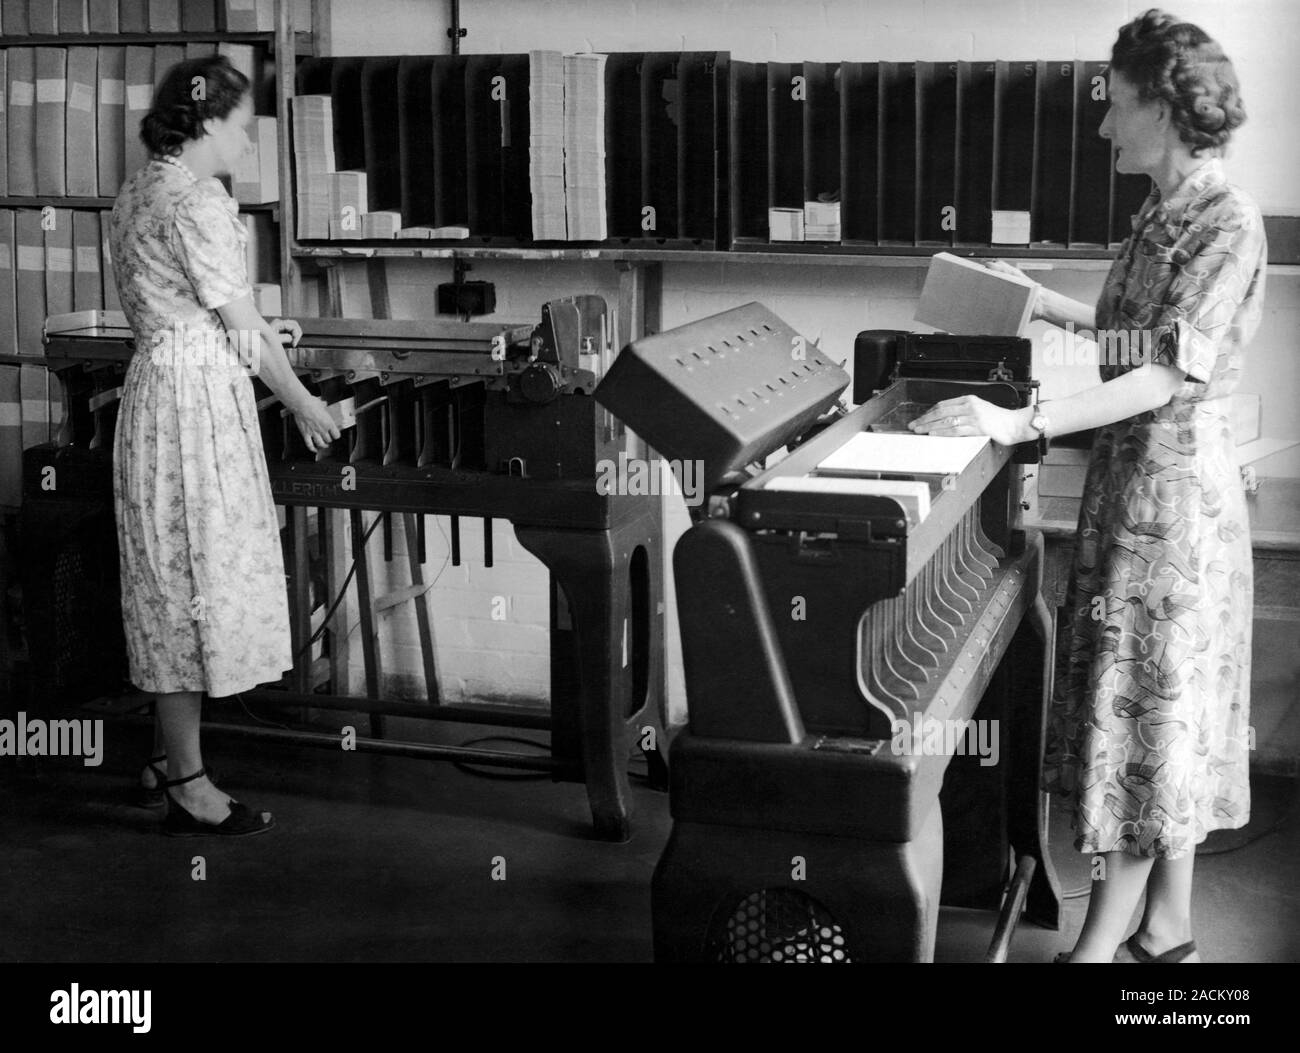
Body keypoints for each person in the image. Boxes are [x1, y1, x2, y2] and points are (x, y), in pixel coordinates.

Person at [908, 9, 1264, 962]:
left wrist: (1018, 420)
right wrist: (1035, 299)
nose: (1102, 127)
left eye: (1116, 105)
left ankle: (1099, 953)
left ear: (1167, 107)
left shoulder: (1227, 224)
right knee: (1156, 715)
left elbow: (1159, 376)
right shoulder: (1161, 211)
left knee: (1145, 720)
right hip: (1131, 493)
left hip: (1173, 517)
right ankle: (1168, 930)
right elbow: (1132, 341)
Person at [109, 56, 340, 836]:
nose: (247, 143)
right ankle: (191, 784)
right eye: (242, 127)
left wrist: (254, 336)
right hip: (192, 410)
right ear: (206, 122)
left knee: (170, 580)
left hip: (158, 392)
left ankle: (167, 758)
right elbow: (239, 330)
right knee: (187, 585)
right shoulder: (198, 200)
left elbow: (197, 313)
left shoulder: (139, 186)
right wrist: (303, 398)